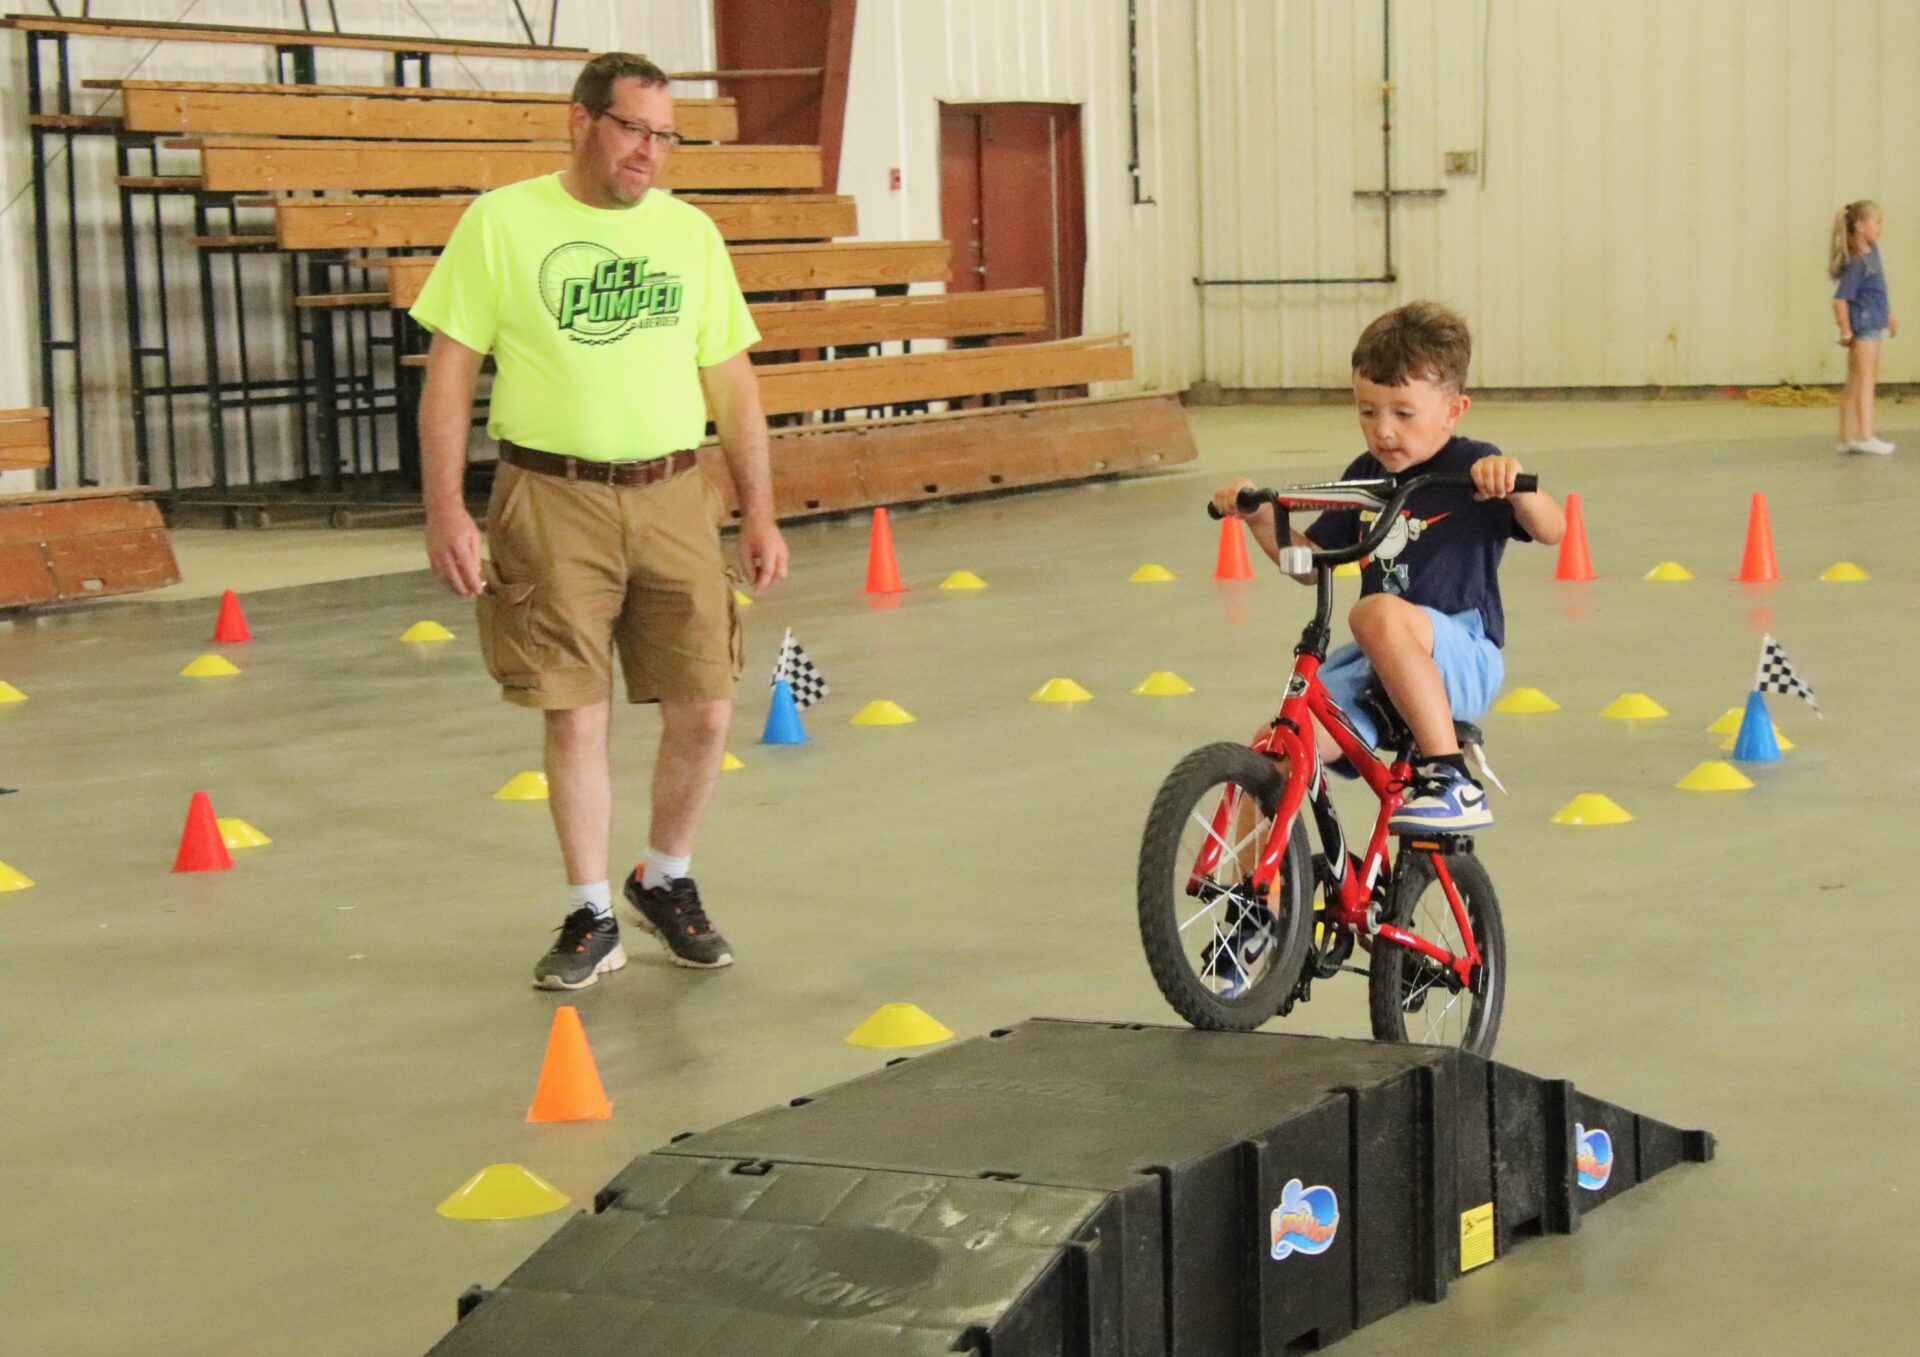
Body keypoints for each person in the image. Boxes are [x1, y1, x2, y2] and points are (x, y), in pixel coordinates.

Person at [410, 52, 789, 989]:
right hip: (549, 496)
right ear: (580, 122)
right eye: (634, 130)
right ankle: (589, 912)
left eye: (666, 137)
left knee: (705, 703)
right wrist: (445, 505)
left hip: (674, 495)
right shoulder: (501, 223)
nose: (650, 153)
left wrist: (760, 510)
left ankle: (664, 878)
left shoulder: (692, 234)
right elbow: (450, 375)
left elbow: (732, 381)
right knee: (573, 715)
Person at [1211, 301, 1565, 833]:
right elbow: (1309, 565)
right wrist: (1261, 521)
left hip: (1460, 656)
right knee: (1272, 751)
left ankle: (1450, 779)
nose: (1384, 431)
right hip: (1376, 665)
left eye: (1403, 412)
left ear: (1453, 410)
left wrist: (1512, 485)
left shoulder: (1473, 465)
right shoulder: (1365, 476)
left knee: (1376, 613)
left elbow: (1552, 529)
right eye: (1367, 411)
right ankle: (1254, 907)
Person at [1830, 200, 1897, 455]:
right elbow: (1840, 300)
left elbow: (1879, 287)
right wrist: (1846, 330)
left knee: (1857, 379)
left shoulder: (1872, 252)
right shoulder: (1858, 262)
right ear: (1860, 226)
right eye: (1876, 222)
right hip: (1865, 328)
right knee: (1866, 380)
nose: (1880, 228)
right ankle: (1865, 434)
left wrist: (1888, 313)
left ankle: (1847, 436)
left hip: (1873, 321)